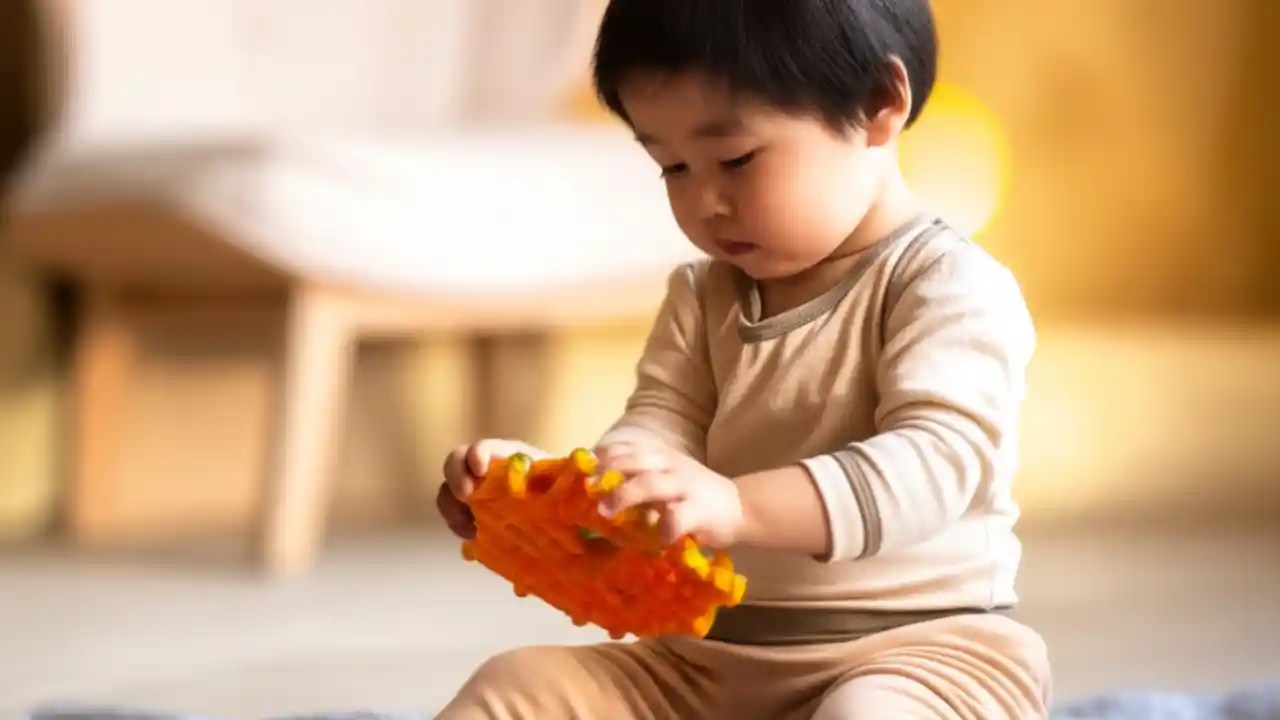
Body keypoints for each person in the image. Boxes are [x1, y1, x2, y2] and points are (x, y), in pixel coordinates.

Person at [436, 0, 1051, 717]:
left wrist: (740, 505)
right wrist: (560, 491)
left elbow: (934, 463)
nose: (705, 201)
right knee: (514, 683)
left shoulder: (944, 284)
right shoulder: (702, 296)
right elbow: (658, 429)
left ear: (878, 103)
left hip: (916, 655)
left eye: (735, 159)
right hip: (703, 660)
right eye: (671, 167)